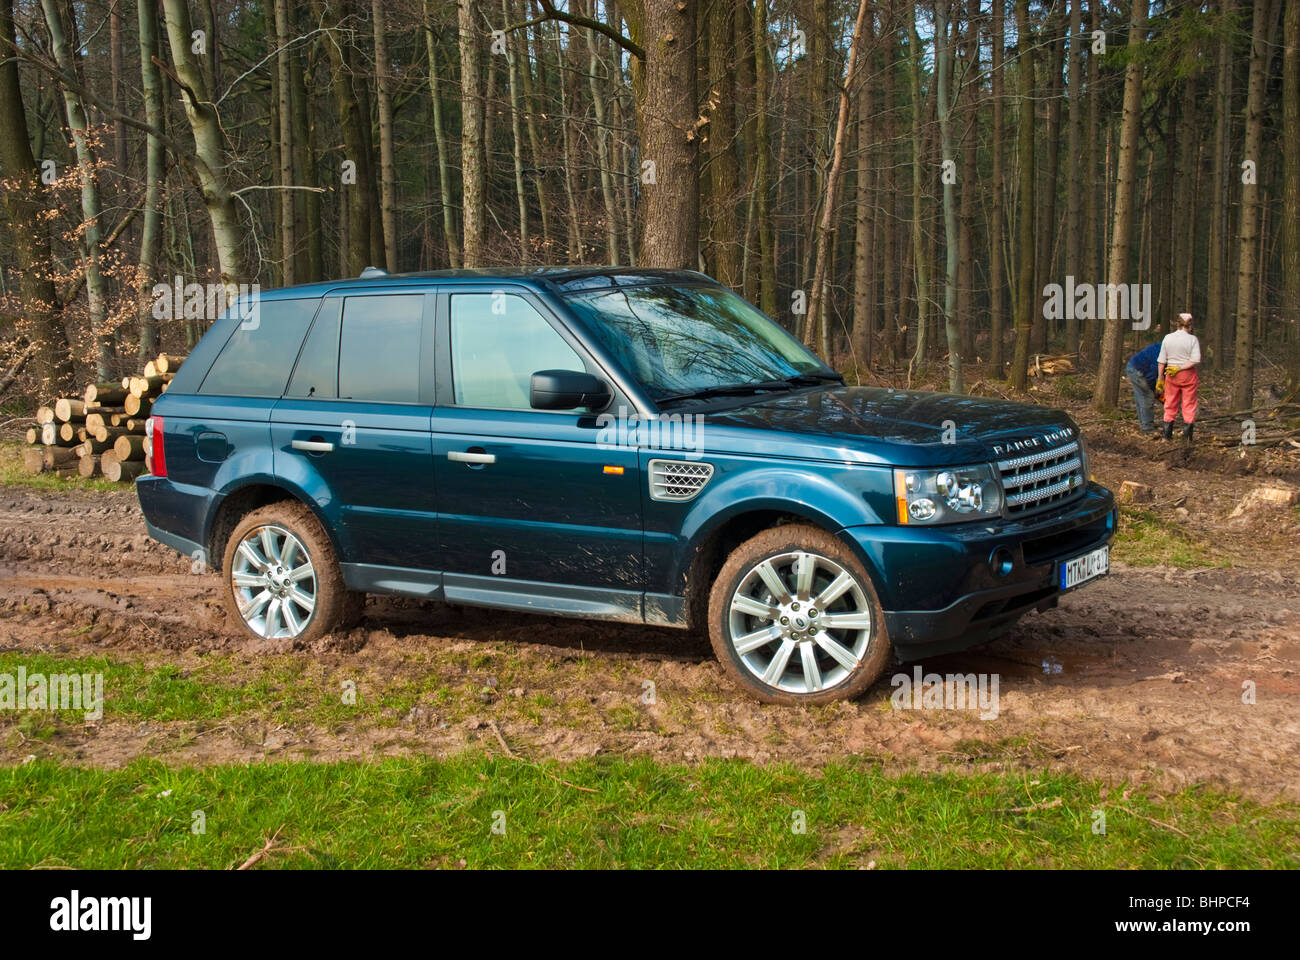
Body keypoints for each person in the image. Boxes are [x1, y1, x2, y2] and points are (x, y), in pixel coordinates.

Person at [1157, 312, 1201, 443]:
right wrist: (1181, 367)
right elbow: (1196, 359)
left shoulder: (1168, 338)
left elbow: (1161, 360)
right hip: (1188, 375)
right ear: (1191, 325)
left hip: (1171, 375)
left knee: (1170, 403)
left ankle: (1166, 437)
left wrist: (1160, 378)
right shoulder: (1192, 340)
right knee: (1189, 405)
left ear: (1177, 323)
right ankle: (1187, 439)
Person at [1124, 340, 1163, 433]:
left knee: (1140, 396)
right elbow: (1152, 375)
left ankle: (1144, 423)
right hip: (1137, 371)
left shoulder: (1163, 347)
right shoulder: (1160, 354)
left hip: (1133, 367)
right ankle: (1147, 427)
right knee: (1147, 397)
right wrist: (1155, 390)